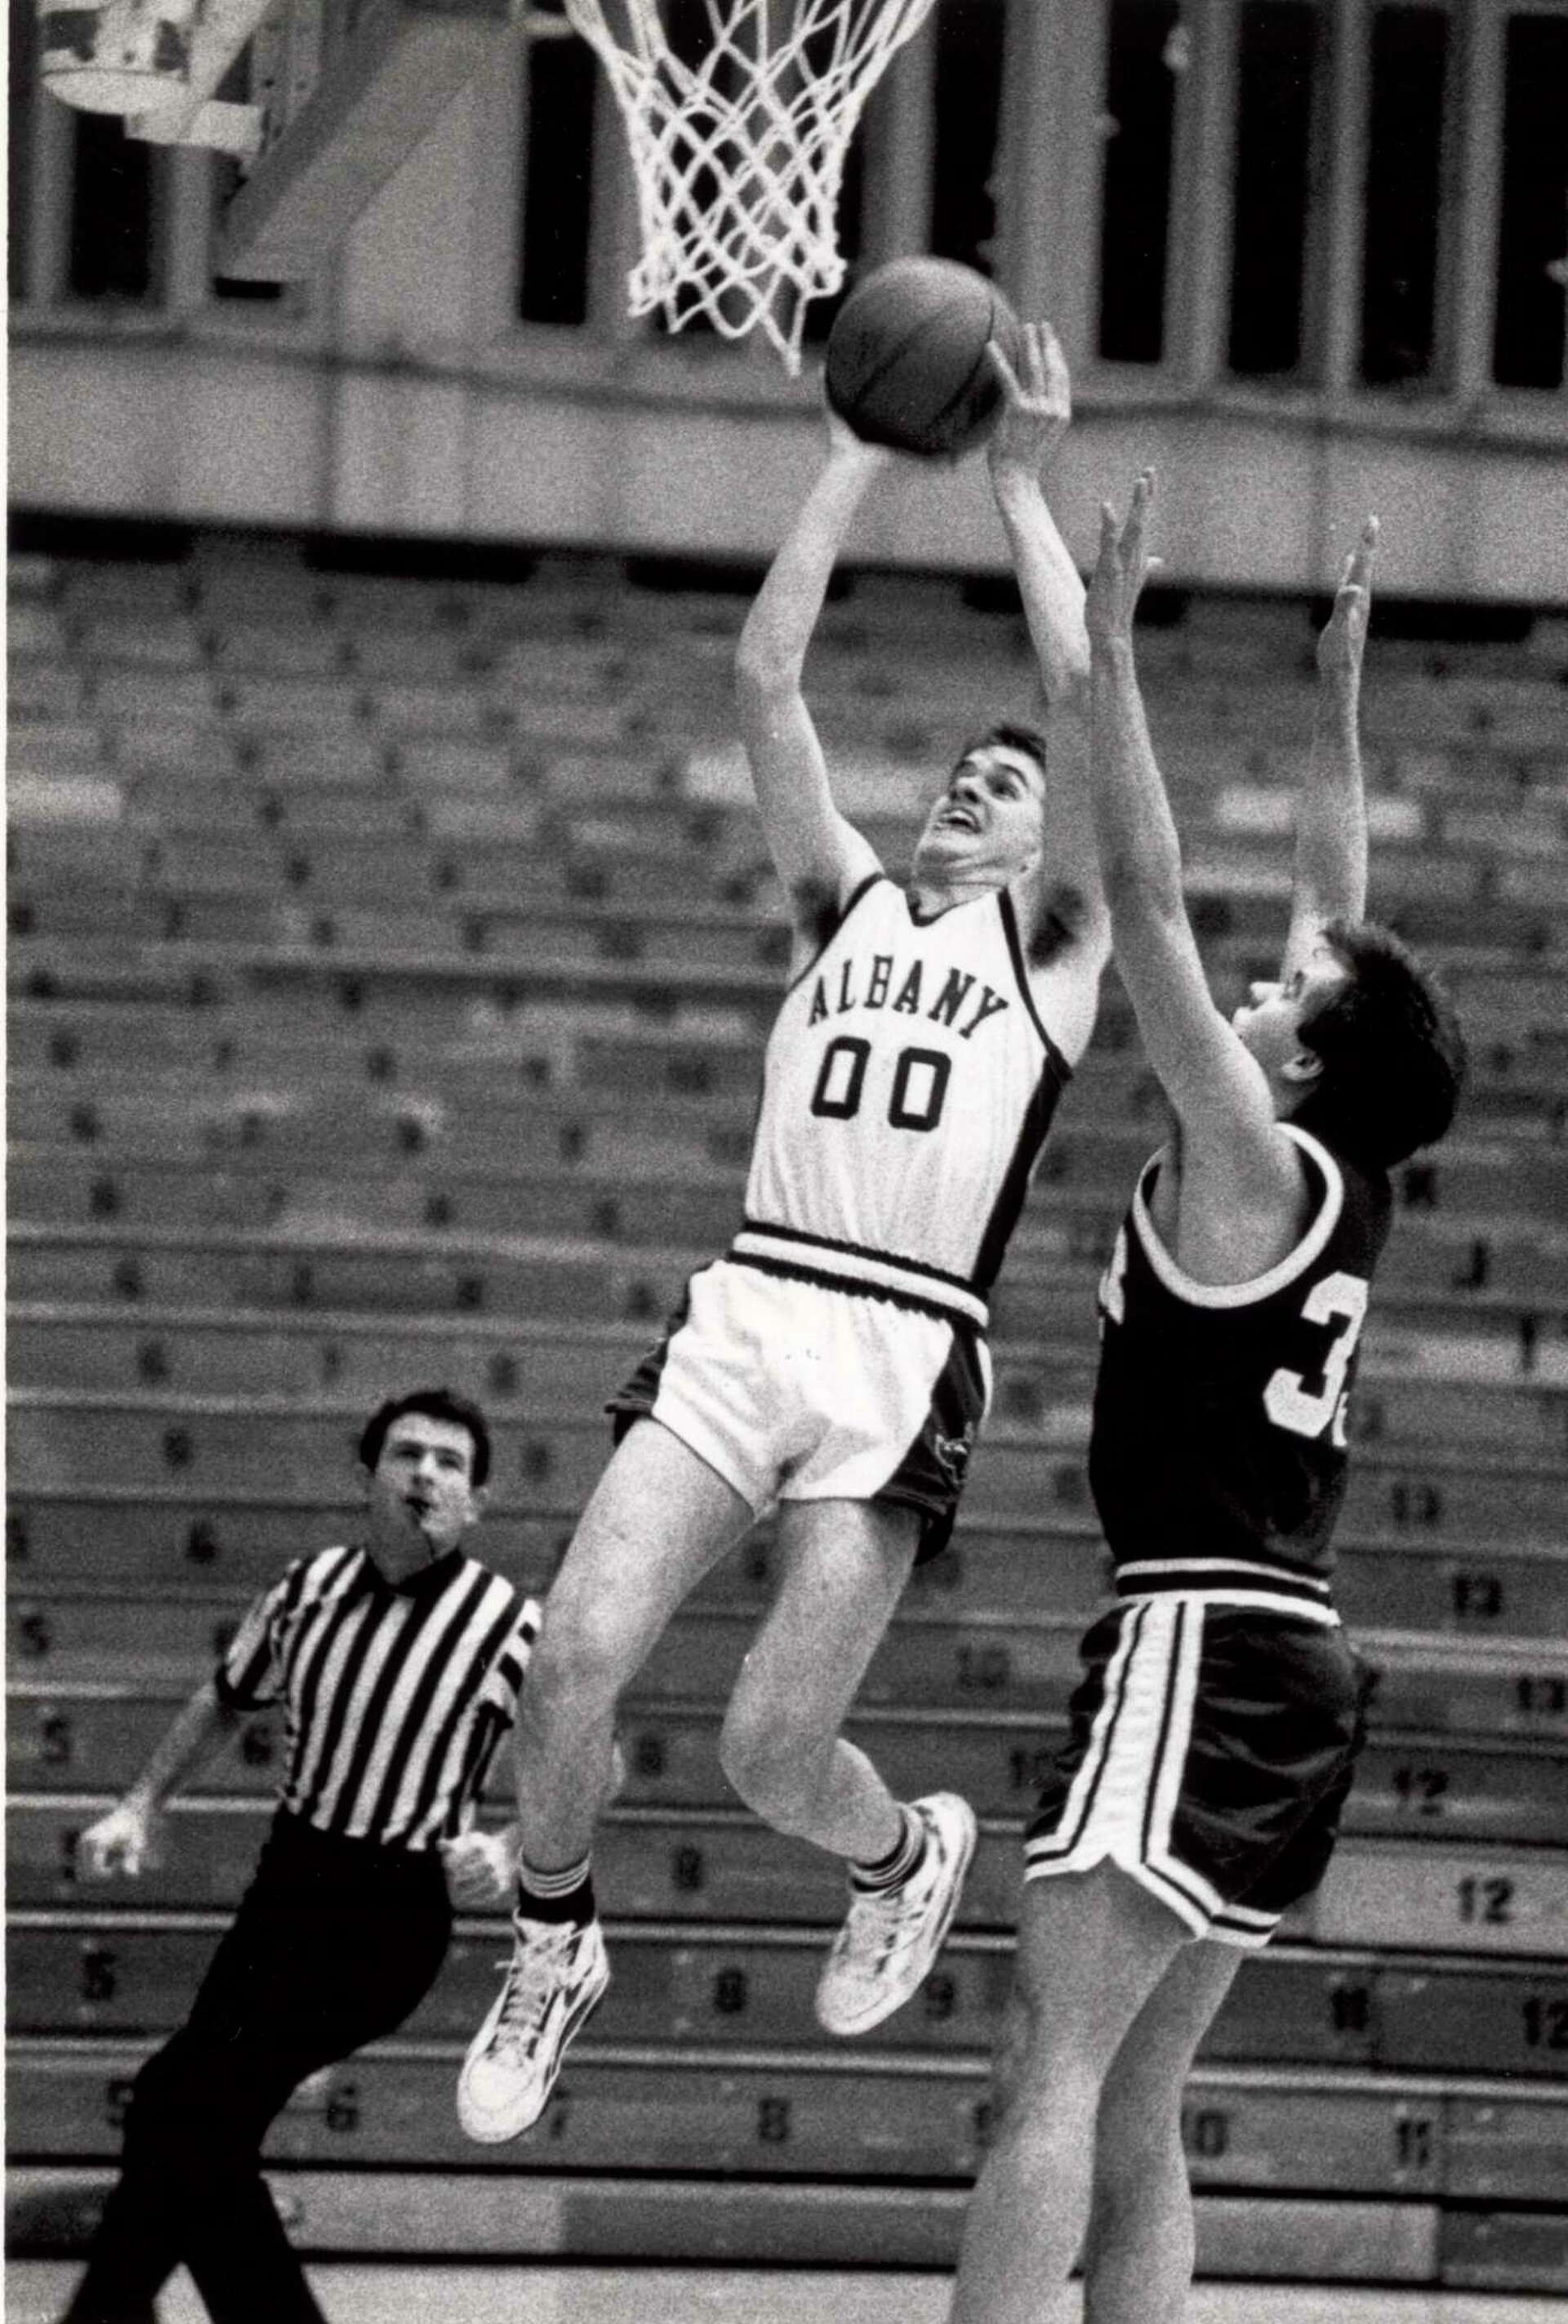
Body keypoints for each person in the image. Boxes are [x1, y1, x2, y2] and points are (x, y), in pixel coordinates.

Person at [456, 323, 1113, 2144]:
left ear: (1054, 839)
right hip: (755, 1304)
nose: (976, 784)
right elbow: (765, 682)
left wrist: (1013, 485)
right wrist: (851, 445)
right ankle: (554, 1935)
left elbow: (1086, 704)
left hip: (904, 1345)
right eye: (962, 776)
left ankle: (902, 1854)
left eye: (1009, 782)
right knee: (571, 1653)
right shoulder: (848, 908)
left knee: (764, 1748)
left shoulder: (1053, 955)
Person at [947, 481, 1468, 2324]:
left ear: (1305, 1059)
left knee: (1050, 2071)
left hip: (1201, 1632)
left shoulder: (1246, 1155)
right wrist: (1336, 696)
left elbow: (1154, 895)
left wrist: (1107, 659)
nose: (1262, 976)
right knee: (1140, 2091)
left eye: (1286, 990)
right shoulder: (1350, 1169)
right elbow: (1346, 912)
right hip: (1294, 1660)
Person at [60, 1388, 539, 2324]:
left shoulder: (505, 1624)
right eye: (408, 1453)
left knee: (178, 2108)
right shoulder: (306, 1587)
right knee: (191, 2123)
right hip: (285, 1890)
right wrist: (140, 1803)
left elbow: (593, 1765)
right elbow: (227, 1696)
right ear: (368, 1478)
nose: (427, 1474)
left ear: (475, 1503)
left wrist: (516, 1846)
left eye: (451, 1463)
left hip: (390, 1914)